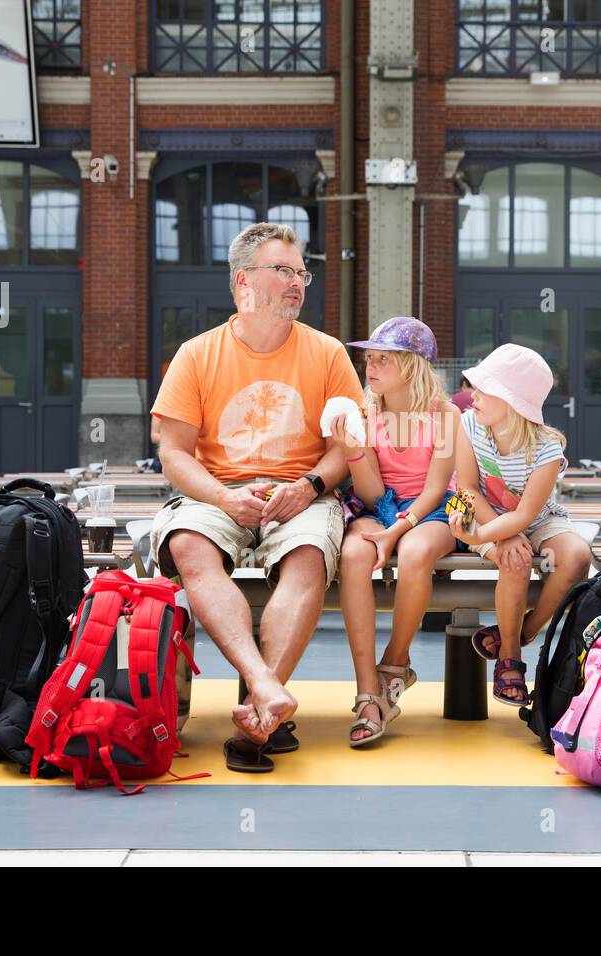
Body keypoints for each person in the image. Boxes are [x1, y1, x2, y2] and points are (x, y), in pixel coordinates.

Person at [150, 221, 364, 773]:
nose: (297, 282)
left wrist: (311, 485)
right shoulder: (196, 355)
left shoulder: (328, 353)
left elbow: (350, 447)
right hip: (217, 490)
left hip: (301, 491)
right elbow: (174, 455)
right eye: (283, 270)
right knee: (189, 547)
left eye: (301, 272)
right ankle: (266, 686)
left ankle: (254, 713)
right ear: (243, 282)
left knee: (310, 556)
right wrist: (224, 498)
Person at [332, 316, 461, 746]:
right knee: (352, 555)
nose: (370, 368)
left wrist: (400, 529)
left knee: (414, 551)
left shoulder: (445, 414)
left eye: (382, 360)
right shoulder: (366, 412)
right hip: (381, 507)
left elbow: (437, 487)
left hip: (432, 510)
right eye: (369, 359)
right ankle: (368, 690)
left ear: (412, 365)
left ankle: (395, 663)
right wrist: (353, 451)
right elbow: (370, 496)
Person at [447, 344, 594, 707]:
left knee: (577, 557)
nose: (472, 394)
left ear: (512, 401)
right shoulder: (467, 425)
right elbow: (465, 488)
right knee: (516, 560)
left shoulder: (547, 448)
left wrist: (499, 534)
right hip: (476, 515)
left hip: (534, 519)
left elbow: (528, 514)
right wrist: (490, 534)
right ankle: (510, 657)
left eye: (484, 389)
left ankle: (524, 632)